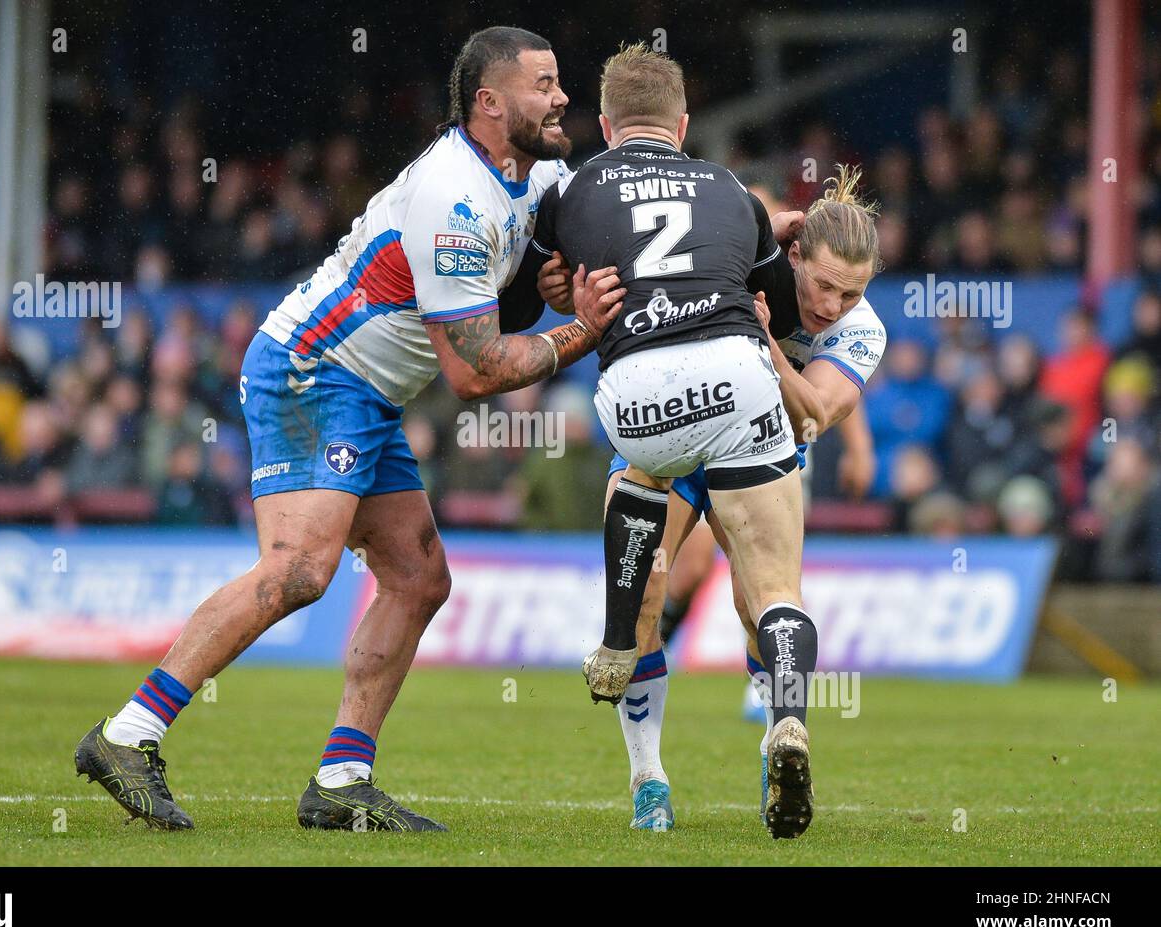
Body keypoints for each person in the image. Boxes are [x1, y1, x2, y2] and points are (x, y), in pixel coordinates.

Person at [74, 25, 623, 832]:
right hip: (314, 370)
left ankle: (340, 782)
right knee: (300, 570)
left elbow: (582, 224)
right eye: (544, 84)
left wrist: (762, 225)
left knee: (418, 578)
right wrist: (583, 327)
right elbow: (475, 375)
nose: (562, 96)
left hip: (367, 391)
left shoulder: (533, 171)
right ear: (490, 102)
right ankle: (128, 734)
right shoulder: (453, 198)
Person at [529, 43, 874, 839]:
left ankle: (753, 730)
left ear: (609, 124)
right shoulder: (736, 205)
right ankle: (663, 774)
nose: (829, 305)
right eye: (816, 283)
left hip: (705, 404)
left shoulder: (861, 326)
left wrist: (560, 293)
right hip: (744, 408)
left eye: (851, 295)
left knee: (747, 597)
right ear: (790, 248)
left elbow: (817, 413)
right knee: (722, 590)